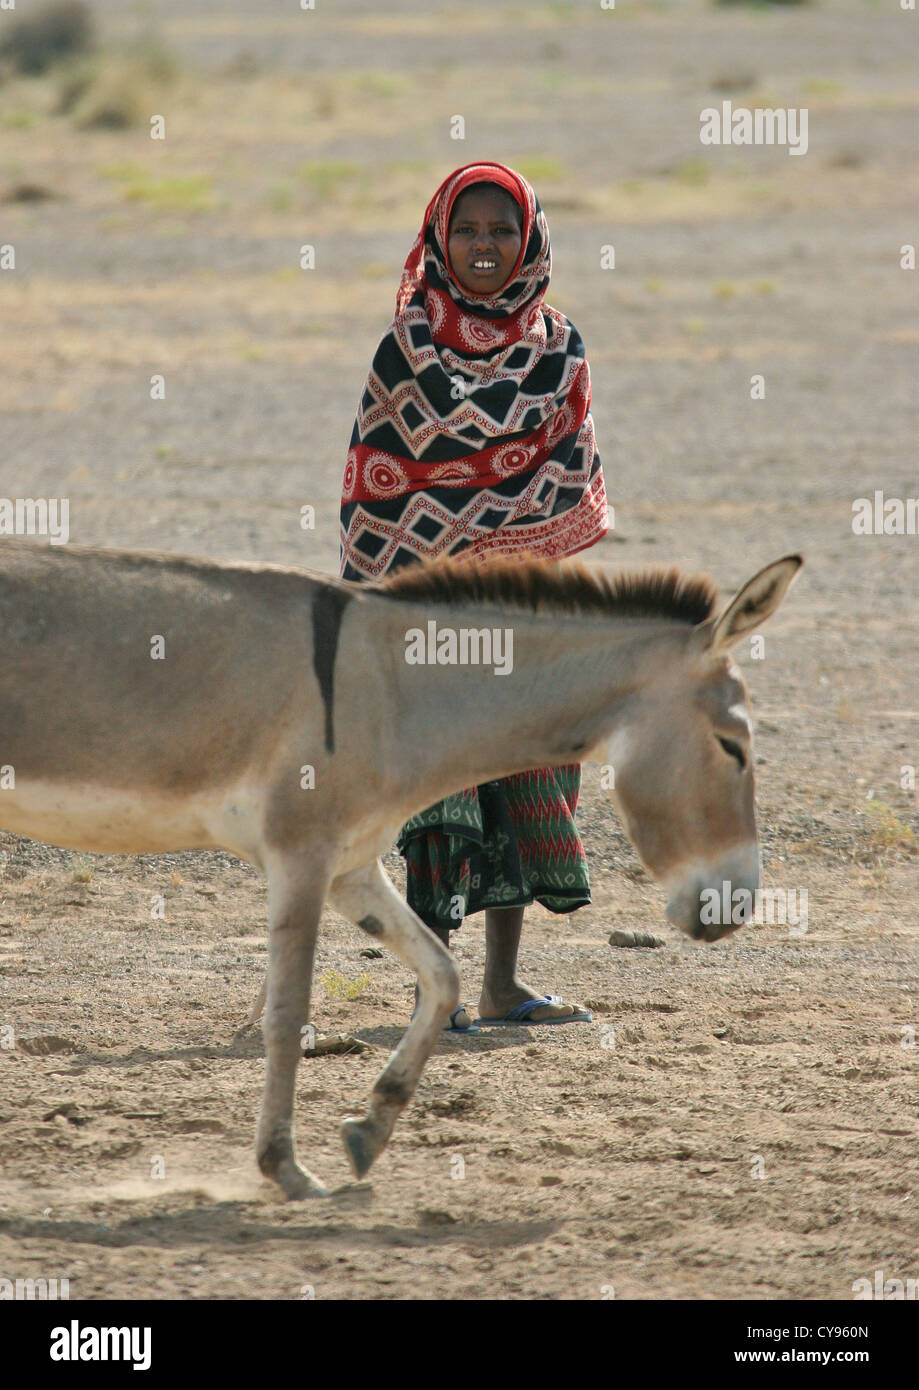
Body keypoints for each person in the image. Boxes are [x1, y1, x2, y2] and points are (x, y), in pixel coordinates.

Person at [339, 161, 609, 1030]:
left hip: (526, 612)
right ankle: (436, 987)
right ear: (439, 238)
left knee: (523, 783)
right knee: (440, 801)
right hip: (429, 618)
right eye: (468, 231)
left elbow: (567, 483)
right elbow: (378, 494)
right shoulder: (405, 347)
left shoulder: (558, 347)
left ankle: (500, 984)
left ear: (527, 238)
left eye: (501, 230)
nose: (484, 246)